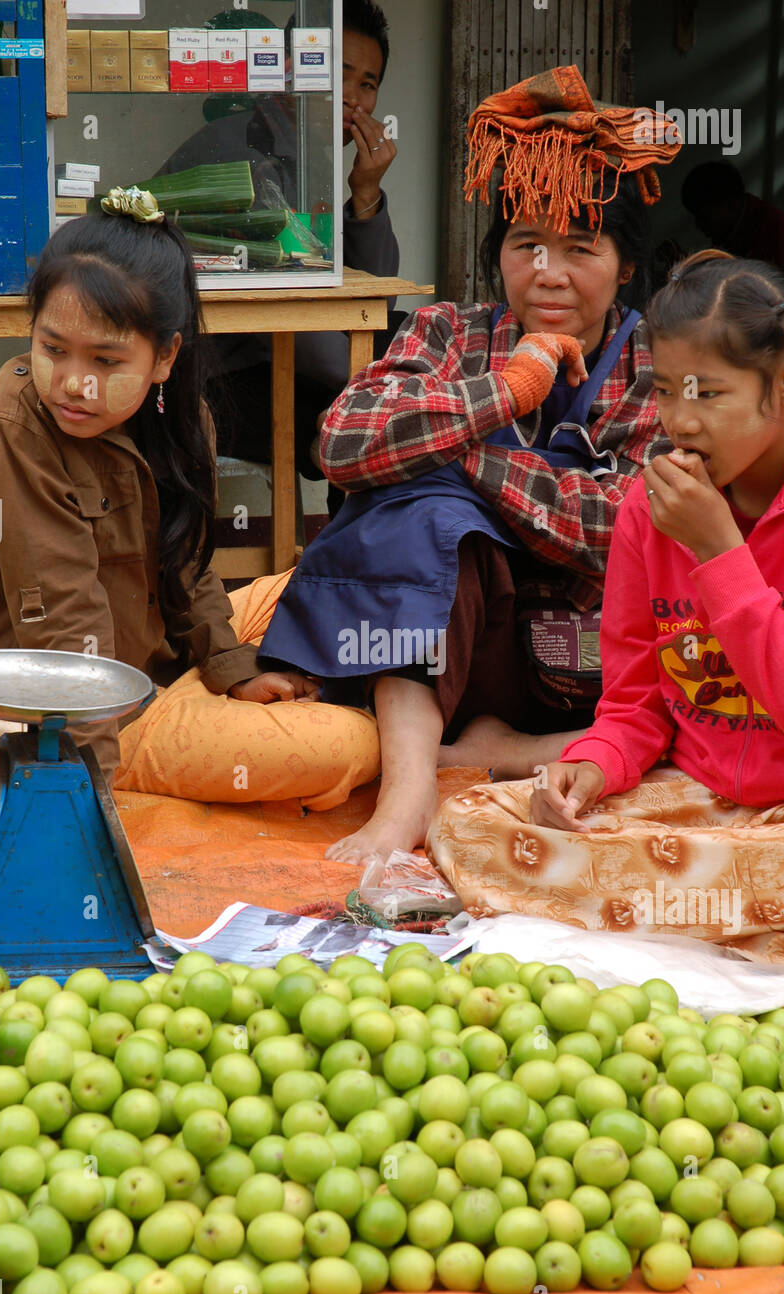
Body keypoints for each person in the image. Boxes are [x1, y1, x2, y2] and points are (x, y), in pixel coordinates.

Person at [257, 66, 681, 863]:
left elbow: (621, 524)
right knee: (424, 518)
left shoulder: (655, 366)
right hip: (458, 648)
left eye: (580, 248)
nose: (548, 272)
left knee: (428, 485)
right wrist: (505, 389)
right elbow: (342, 444)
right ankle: (411, 787)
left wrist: (454, 454)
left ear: (626, 266)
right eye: (527, 245)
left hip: (587, 662)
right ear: (499, 255)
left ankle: (510, 745)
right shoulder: (449, 333)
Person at [428, 250, 784, 967]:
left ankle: (683, 914)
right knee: (466, 827)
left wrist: (719, 554)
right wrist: (589, 767)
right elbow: (636, 704)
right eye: (667, 391)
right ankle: (742, 925)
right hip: (701, 808)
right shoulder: (649, 503)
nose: (680, 421)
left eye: (708, 394)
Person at [0, 192, 379, 809]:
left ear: (164, 358)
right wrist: (86, 800)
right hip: (95, 711)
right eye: (52, 349)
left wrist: (232, 666)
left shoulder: (183, 419)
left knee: (346, 586)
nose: (75, 382)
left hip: (165, 658)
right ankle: (134, 768)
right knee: (351, 745)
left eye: (106, 360)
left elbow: (189, 559)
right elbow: (61, 620)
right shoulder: (16, 425)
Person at [159, 1, 401, 516]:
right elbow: (304, 323)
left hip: (269, 361)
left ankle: (356, 558)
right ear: (294, 71)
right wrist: (390, 385)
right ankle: (351, 562)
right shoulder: (248, 150)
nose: (352, 99)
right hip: (195, 383)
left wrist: (365, 193)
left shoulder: (308, 155)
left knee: (406, 339)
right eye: (337, 74)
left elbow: (372, 300)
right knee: (375, 407)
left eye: (367, 84)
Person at [681, 161, 784, 292]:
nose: (699, 226)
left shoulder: (767, 229)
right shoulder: (745, 222)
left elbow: (761, 294)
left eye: (705, 217)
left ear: (731, 204)